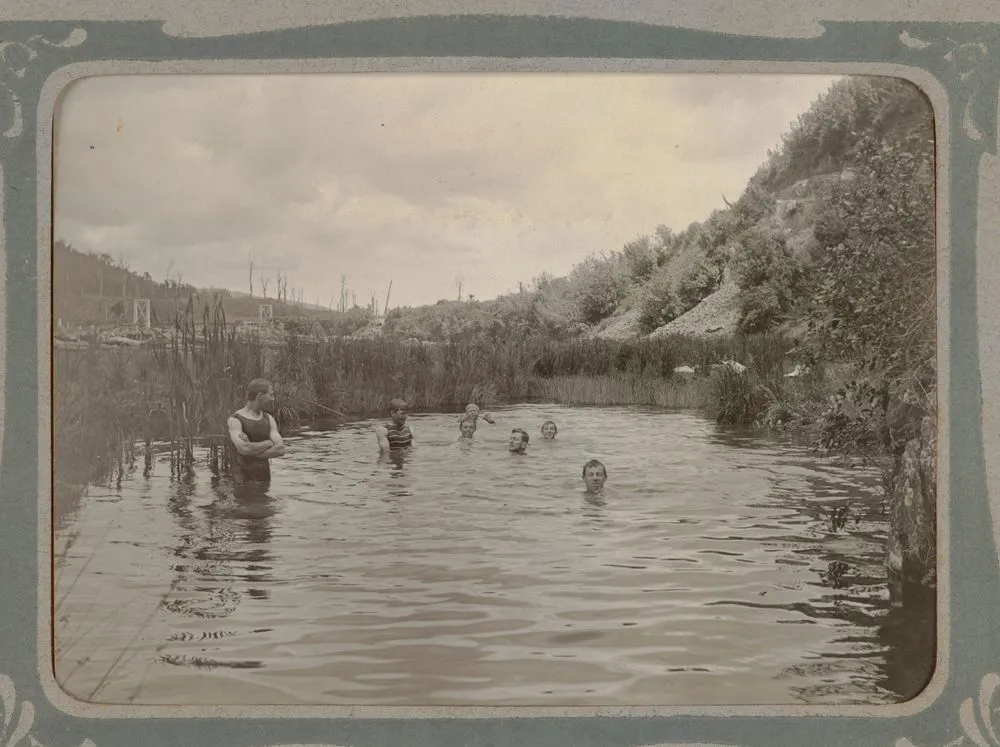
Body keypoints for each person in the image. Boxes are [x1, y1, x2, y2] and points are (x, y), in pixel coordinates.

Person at [227, 378, 286, 484]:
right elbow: (244, 449)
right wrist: (268, 443)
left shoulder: (269, 419)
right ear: (259, 396)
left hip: (264, 482)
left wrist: (251, 448)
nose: (273, 399)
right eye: (271, 395)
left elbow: (281, 449)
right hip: (243, 484)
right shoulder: (235, 419)